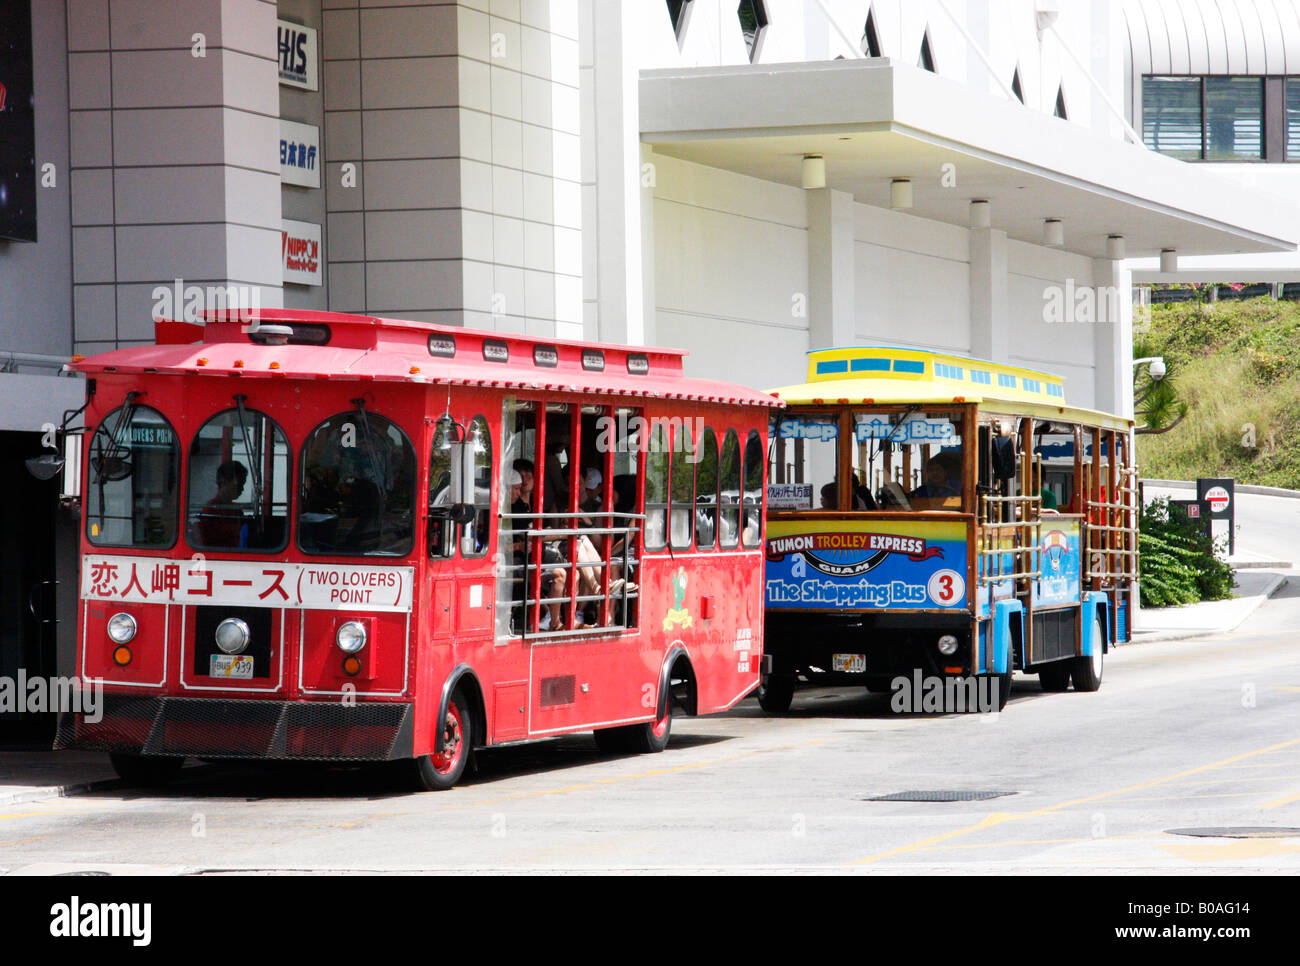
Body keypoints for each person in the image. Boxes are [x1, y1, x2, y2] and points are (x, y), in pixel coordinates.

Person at [196, 460, 247, 547]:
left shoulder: (237, 510)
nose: (242, 489)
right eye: (238, 485)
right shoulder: (211, 509)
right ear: (224, 482)